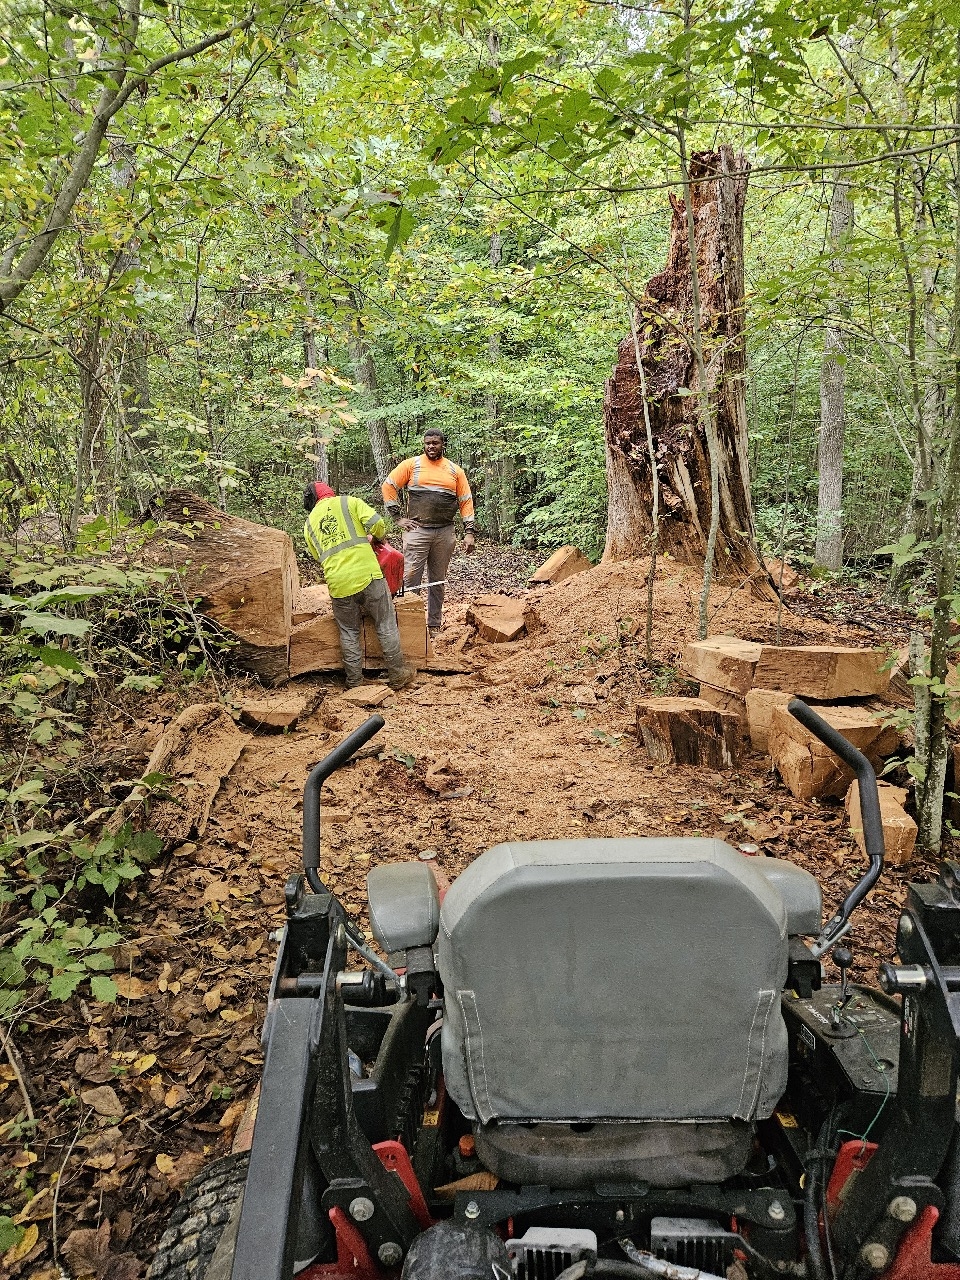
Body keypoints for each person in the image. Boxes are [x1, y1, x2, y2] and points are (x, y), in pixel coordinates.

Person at [303, 481, 415, 692]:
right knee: (385, 623)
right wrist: (375, 538)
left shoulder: (309, 524)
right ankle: (398, 674)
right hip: (368, 575)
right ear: (329, 492)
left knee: (348, 632)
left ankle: (354, 682)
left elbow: (318, 556)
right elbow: (378, 524)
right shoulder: (349, 502)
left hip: (338, 584)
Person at [381, 430, 476, 634]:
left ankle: (434, 625)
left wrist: (469, 532)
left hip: (444, 532)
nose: (431, 447)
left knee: (438, 580)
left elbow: (466, 501)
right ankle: (409, 625)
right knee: (410, 579)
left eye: (435, 443)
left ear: (443, 444)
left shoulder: (454, 471)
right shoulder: (411, 465)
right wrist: (397, 517)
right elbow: (388, 486)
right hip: (417, 531)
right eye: (427, 443)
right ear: (423, 445)